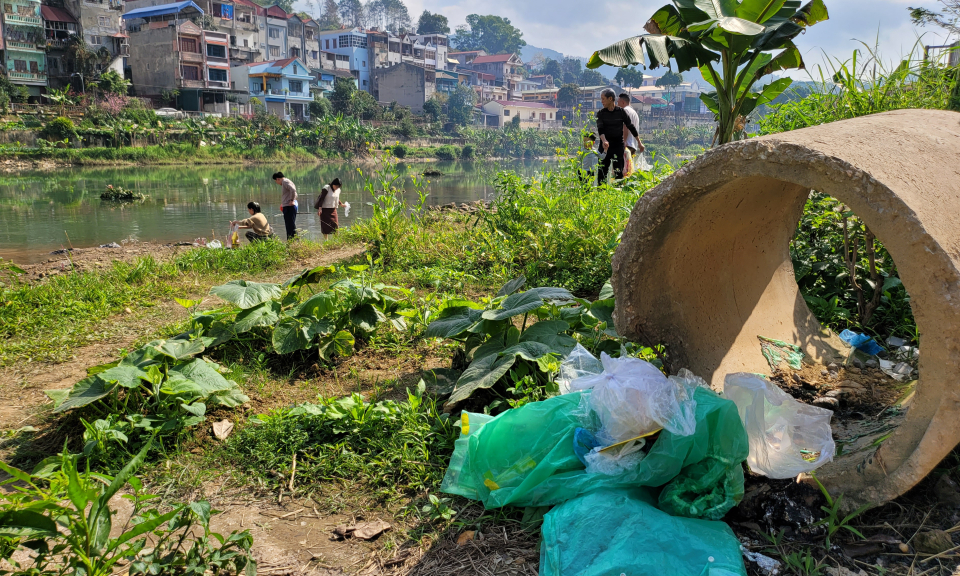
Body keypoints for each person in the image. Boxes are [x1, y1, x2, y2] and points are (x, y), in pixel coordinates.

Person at [596, 88, 640, 183]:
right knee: (602, 173)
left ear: (610, 99)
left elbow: (630, 126)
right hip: (605, 147)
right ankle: (601, 193)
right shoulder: (601, 113)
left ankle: (618, 192)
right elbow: (600, 129)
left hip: (618, 147)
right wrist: (604, 141)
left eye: (603, 99)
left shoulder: (621, 112)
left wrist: (639, 142)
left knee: (618, 173)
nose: (602, 101)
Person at [618, 93, 645, 177]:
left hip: (627, 144)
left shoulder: (625, 110)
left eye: (618, 102)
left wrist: (624, 141)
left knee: (622, 171)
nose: (617, 104)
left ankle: (621, 188)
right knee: (629, 170)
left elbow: (625, 127)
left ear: (622, 102)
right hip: (633, 145)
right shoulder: (634, 113)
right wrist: (639, 143)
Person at [273, 171, 298, 240]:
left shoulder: (285, 182)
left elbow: (293, 190)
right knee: (291, 225)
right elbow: (292, 192)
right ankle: (295, 241)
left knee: (290, 226)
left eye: (275, 181)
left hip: (289, 206)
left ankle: (291, 241)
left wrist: (291, 200)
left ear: (278, 179)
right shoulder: (286, 182)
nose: (277, 183)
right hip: (287, 205)